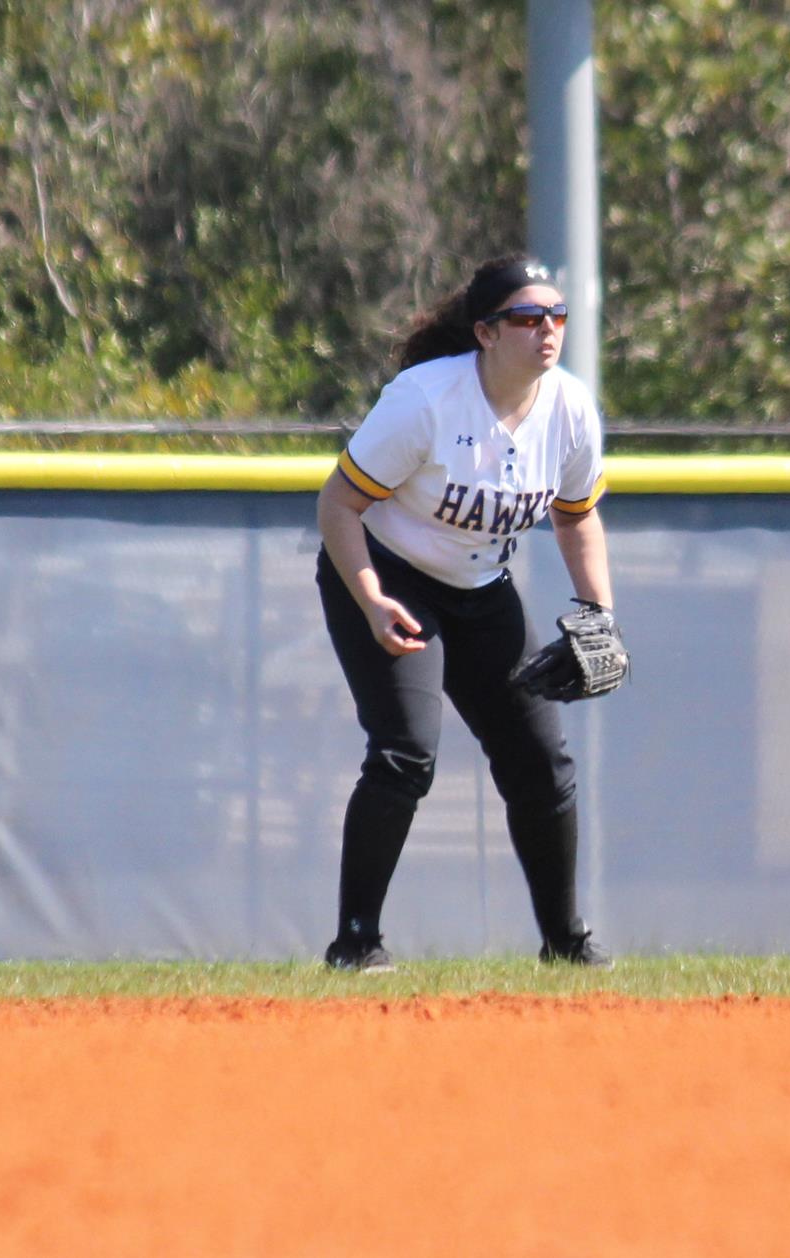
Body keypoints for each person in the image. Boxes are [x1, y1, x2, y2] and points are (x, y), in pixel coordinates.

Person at [314, 253, 619, 972]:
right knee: (405, 752)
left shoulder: (570, 409)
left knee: (542, 762)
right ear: (485, 333)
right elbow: (338, 503)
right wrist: (370, 598)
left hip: (481, 589)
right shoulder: (425, 400)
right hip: (386, 573)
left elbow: (578, 519)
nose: (547, 330)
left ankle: (565, 942)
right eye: (526, 318)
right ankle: (355, 943)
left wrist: (598, 612)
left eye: (557, 317)